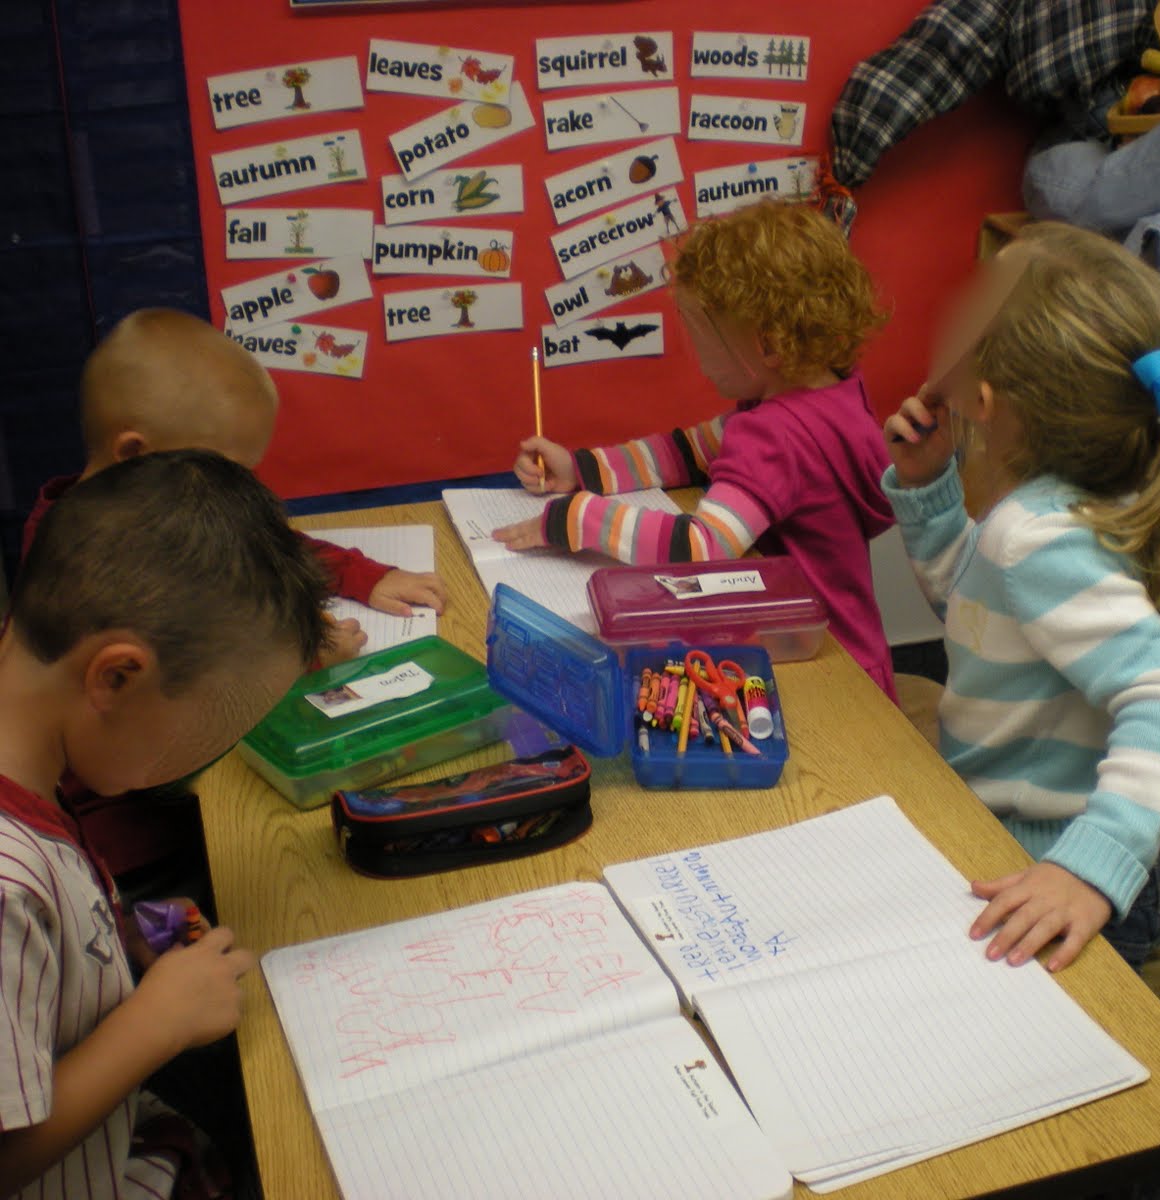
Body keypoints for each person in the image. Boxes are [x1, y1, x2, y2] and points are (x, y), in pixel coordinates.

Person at [882, 222, 1160, 969]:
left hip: (1050, 867)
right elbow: (977, 614)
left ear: (982, 397)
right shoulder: (1057, 509)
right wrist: (928, 488)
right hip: (1024, 843)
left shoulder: (1038, 537)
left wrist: (1085, 869)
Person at [0, 450, 331, 1197]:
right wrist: (157, 1024)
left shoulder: (27, 744)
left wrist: (110, 936)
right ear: (117, 677)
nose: (203, 760)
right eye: (207, 733)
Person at [499, 201, 899, 698]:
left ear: (767, 345)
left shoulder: (777, 433)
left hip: (819, 674)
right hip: (858, 658)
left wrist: (579, 519)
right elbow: (692, 451)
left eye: (698, 331)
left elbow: (701, 549)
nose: (693, 350)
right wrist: (583, 468)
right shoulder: (829, 395)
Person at [24, 308, 448, 665]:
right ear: (135, 454)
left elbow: (263, 546)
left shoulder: (155, 507)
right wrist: (305, 659)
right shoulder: (83, 572)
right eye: (226, 474)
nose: (238, 494)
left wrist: (365, 576)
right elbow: (185, 683)